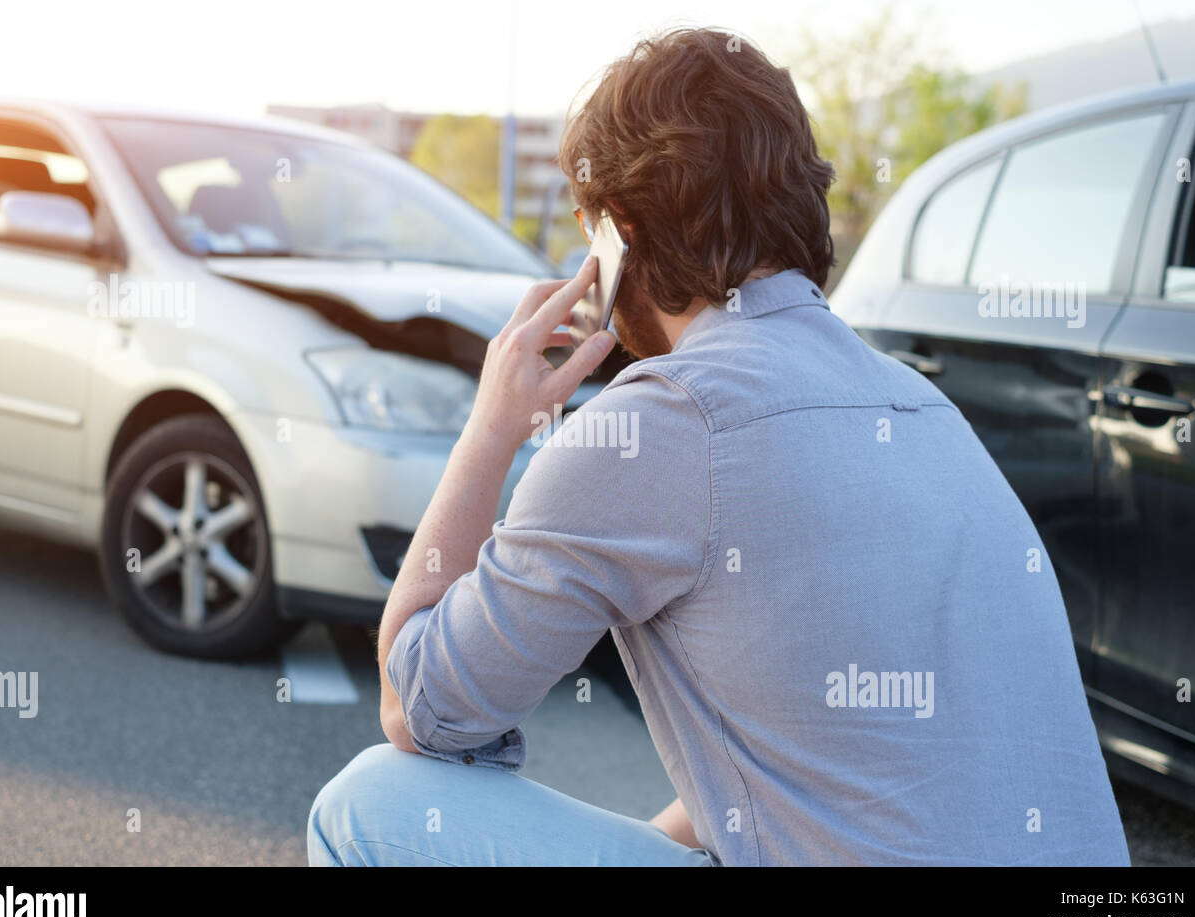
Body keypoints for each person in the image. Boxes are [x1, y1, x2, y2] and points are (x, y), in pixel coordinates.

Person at [307, 27, 1130, 866]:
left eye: (591, 232)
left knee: (370, 803)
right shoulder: (921, 406)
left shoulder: (667, 420)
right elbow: (790, 770)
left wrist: (491, 428)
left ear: (621, 233)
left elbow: (421, 710)